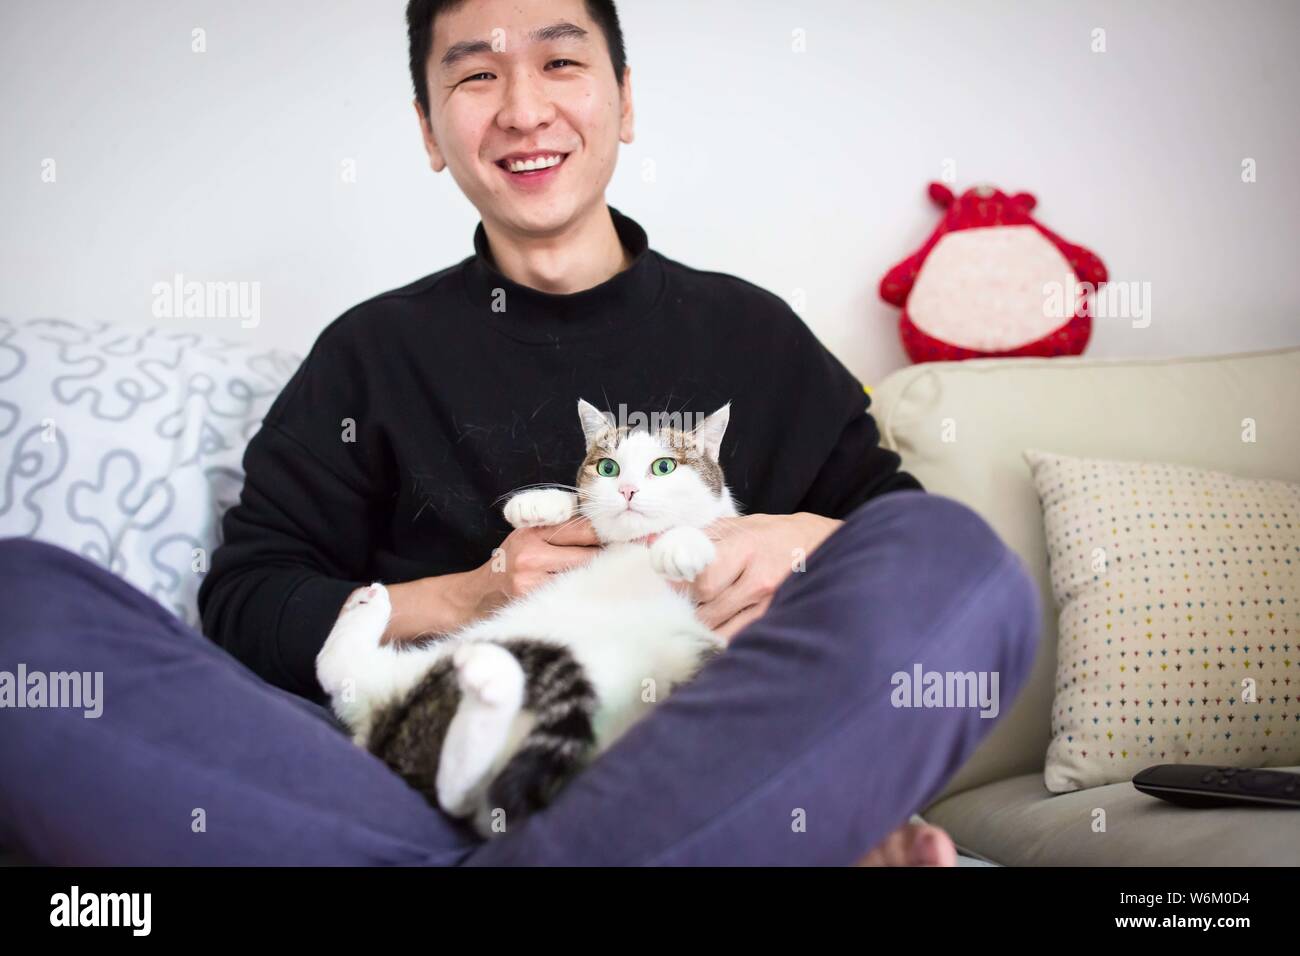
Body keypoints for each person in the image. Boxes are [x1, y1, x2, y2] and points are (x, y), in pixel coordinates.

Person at [0, 0, 1039, 866]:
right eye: (475, 76)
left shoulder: (747, 332)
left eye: (559, 59)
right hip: (401, 769)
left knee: (967, 570)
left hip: (671, 756)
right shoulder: (371, 351)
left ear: (624, 102)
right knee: (20, 609)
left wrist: (796, 538)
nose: (524, 107)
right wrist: (478, 593)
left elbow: (900, 548)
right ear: (428, 127)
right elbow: (245, 601)